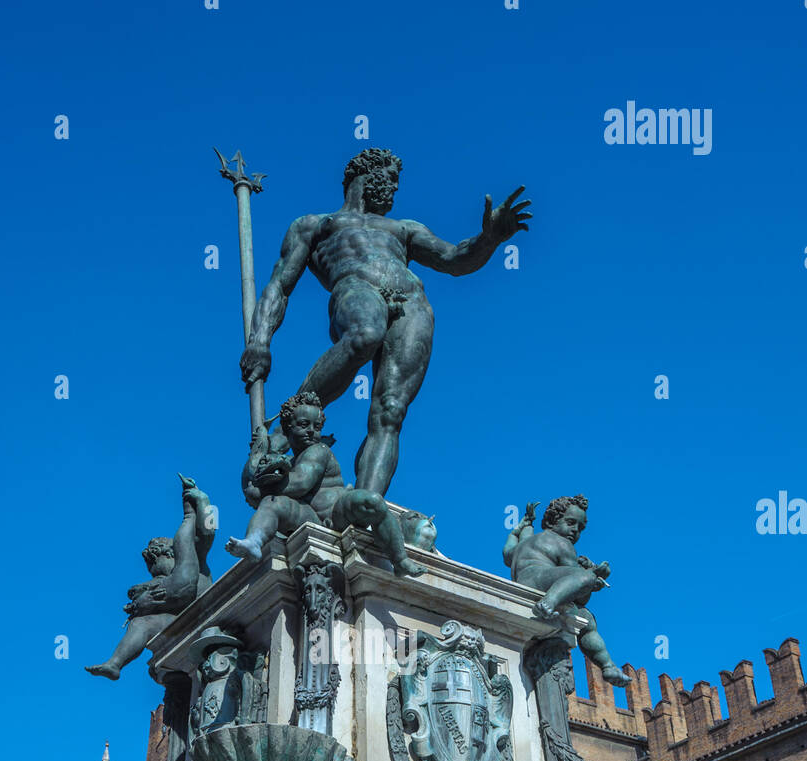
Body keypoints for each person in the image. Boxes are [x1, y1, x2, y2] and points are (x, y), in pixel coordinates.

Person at [240, 148, 531, 497]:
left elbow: (455, 259)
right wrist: (260, 342)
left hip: (412, 303)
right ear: (368, 174)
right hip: (355, 288)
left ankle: (363, 506)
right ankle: (286, 428)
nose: (395, 189)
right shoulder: (315, 225)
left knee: (390, 410)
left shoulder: (404, 228)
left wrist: (490, 238)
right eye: (391, 179)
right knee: (365, 333)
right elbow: (280, 285)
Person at [226, 391, 425, 576]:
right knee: (272, 503)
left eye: (317, 426)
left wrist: (262, 485)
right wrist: (258, 452)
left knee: (371, 501)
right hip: (311, 516)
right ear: (287, 429)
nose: (311, 431)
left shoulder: (318, 451)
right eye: (304, 425)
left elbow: (301, 484)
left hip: (339, 511)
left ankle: (399, 558)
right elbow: (254, 489)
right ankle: (254, 540)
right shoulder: (289, 464)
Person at [86, 475, 215, 680]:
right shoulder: (166, 579)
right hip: (184, 625)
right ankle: (115, 663)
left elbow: (209, 531)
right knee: (142, 624)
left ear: (169, 553)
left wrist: (203, 501)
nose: (154, 571)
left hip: (208, 618)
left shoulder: (194, 556)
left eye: (156, 561)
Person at [506, 495, 630, 687]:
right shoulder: (563, 544)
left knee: (585, 619)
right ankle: (549, 602)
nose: (575, 531)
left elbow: (507, 553)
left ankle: (608, 666)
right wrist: (593, 577)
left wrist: (521, 527)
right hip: (542, 583)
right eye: (571, 523)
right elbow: (580, 596)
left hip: (523, 583)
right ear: (551, 521)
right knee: (587, 591)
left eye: (580, 528)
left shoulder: (523, 544)